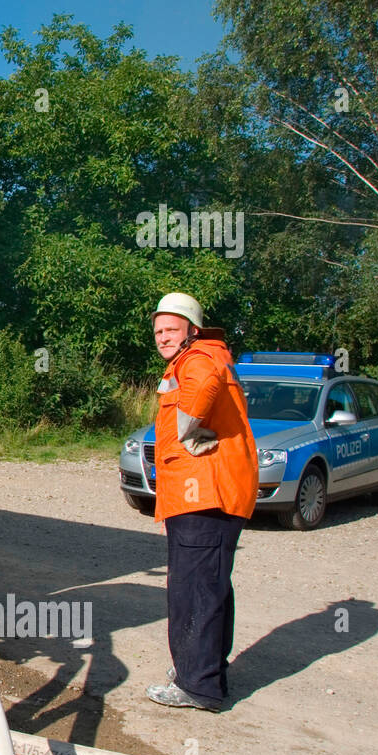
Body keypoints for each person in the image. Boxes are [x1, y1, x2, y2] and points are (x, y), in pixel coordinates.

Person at [147, 292, 258, 712]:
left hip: (203, 496)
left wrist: (188, 428)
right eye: (158, 330)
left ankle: (198, 686)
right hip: (208, 494)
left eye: (171, 329)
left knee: (193, 590)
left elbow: (202, 388)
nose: (163, 336)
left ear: (191, 330)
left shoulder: (197, 359)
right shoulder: (206, 356)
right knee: (208, 587)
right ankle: (202, 671)